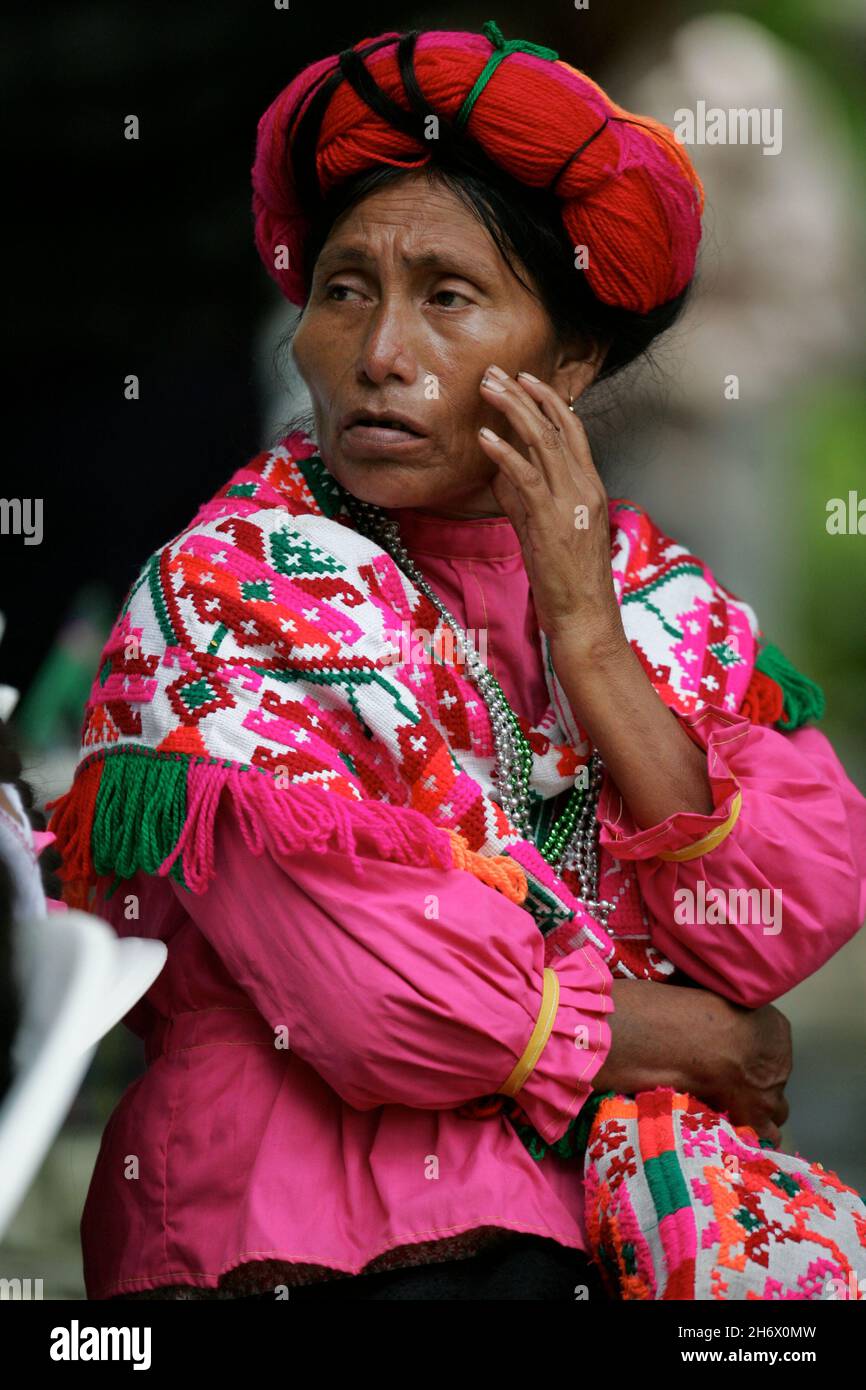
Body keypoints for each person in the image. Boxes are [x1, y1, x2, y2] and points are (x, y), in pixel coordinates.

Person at [48, 21, 866, 1300]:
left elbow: (780, 918)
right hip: (303, 1241)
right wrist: (679, 1034)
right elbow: (369, 996)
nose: (379, 353)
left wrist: (589, 646)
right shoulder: (227, 593)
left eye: (446, 296)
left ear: (572, 357)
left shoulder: (655, 601)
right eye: (342, 289)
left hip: (587, 1206)